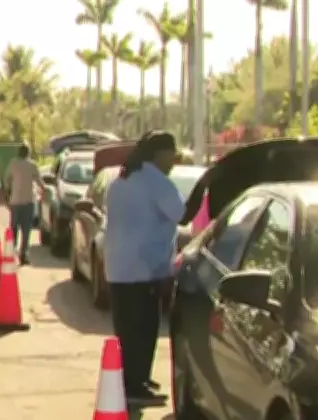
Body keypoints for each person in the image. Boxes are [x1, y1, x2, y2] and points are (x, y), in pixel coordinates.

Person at [104, 130, 184, 406]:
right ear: (159, 154)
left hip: (119, 268)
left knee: (128, 329)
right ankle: (134, 387)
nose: (174, 160)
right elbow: (182, 213)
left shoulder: (122, 179)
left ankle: (135, 378)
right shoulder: (156, 182)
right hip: (143, 268)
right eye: (172, 153)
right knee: (143, 328)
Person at [4, 144, 44, 264]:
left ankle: (11, 252)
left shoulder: (13, 163)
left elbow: (6, 178)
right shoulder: (32, 165)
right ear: (28, 153)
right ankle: (23, 255)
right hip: (28, 201)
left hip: (15, 201)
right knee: (26, 230)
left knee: (14, 227)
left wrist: (8, 190)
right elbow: (39, 181)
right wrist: (44, 190)